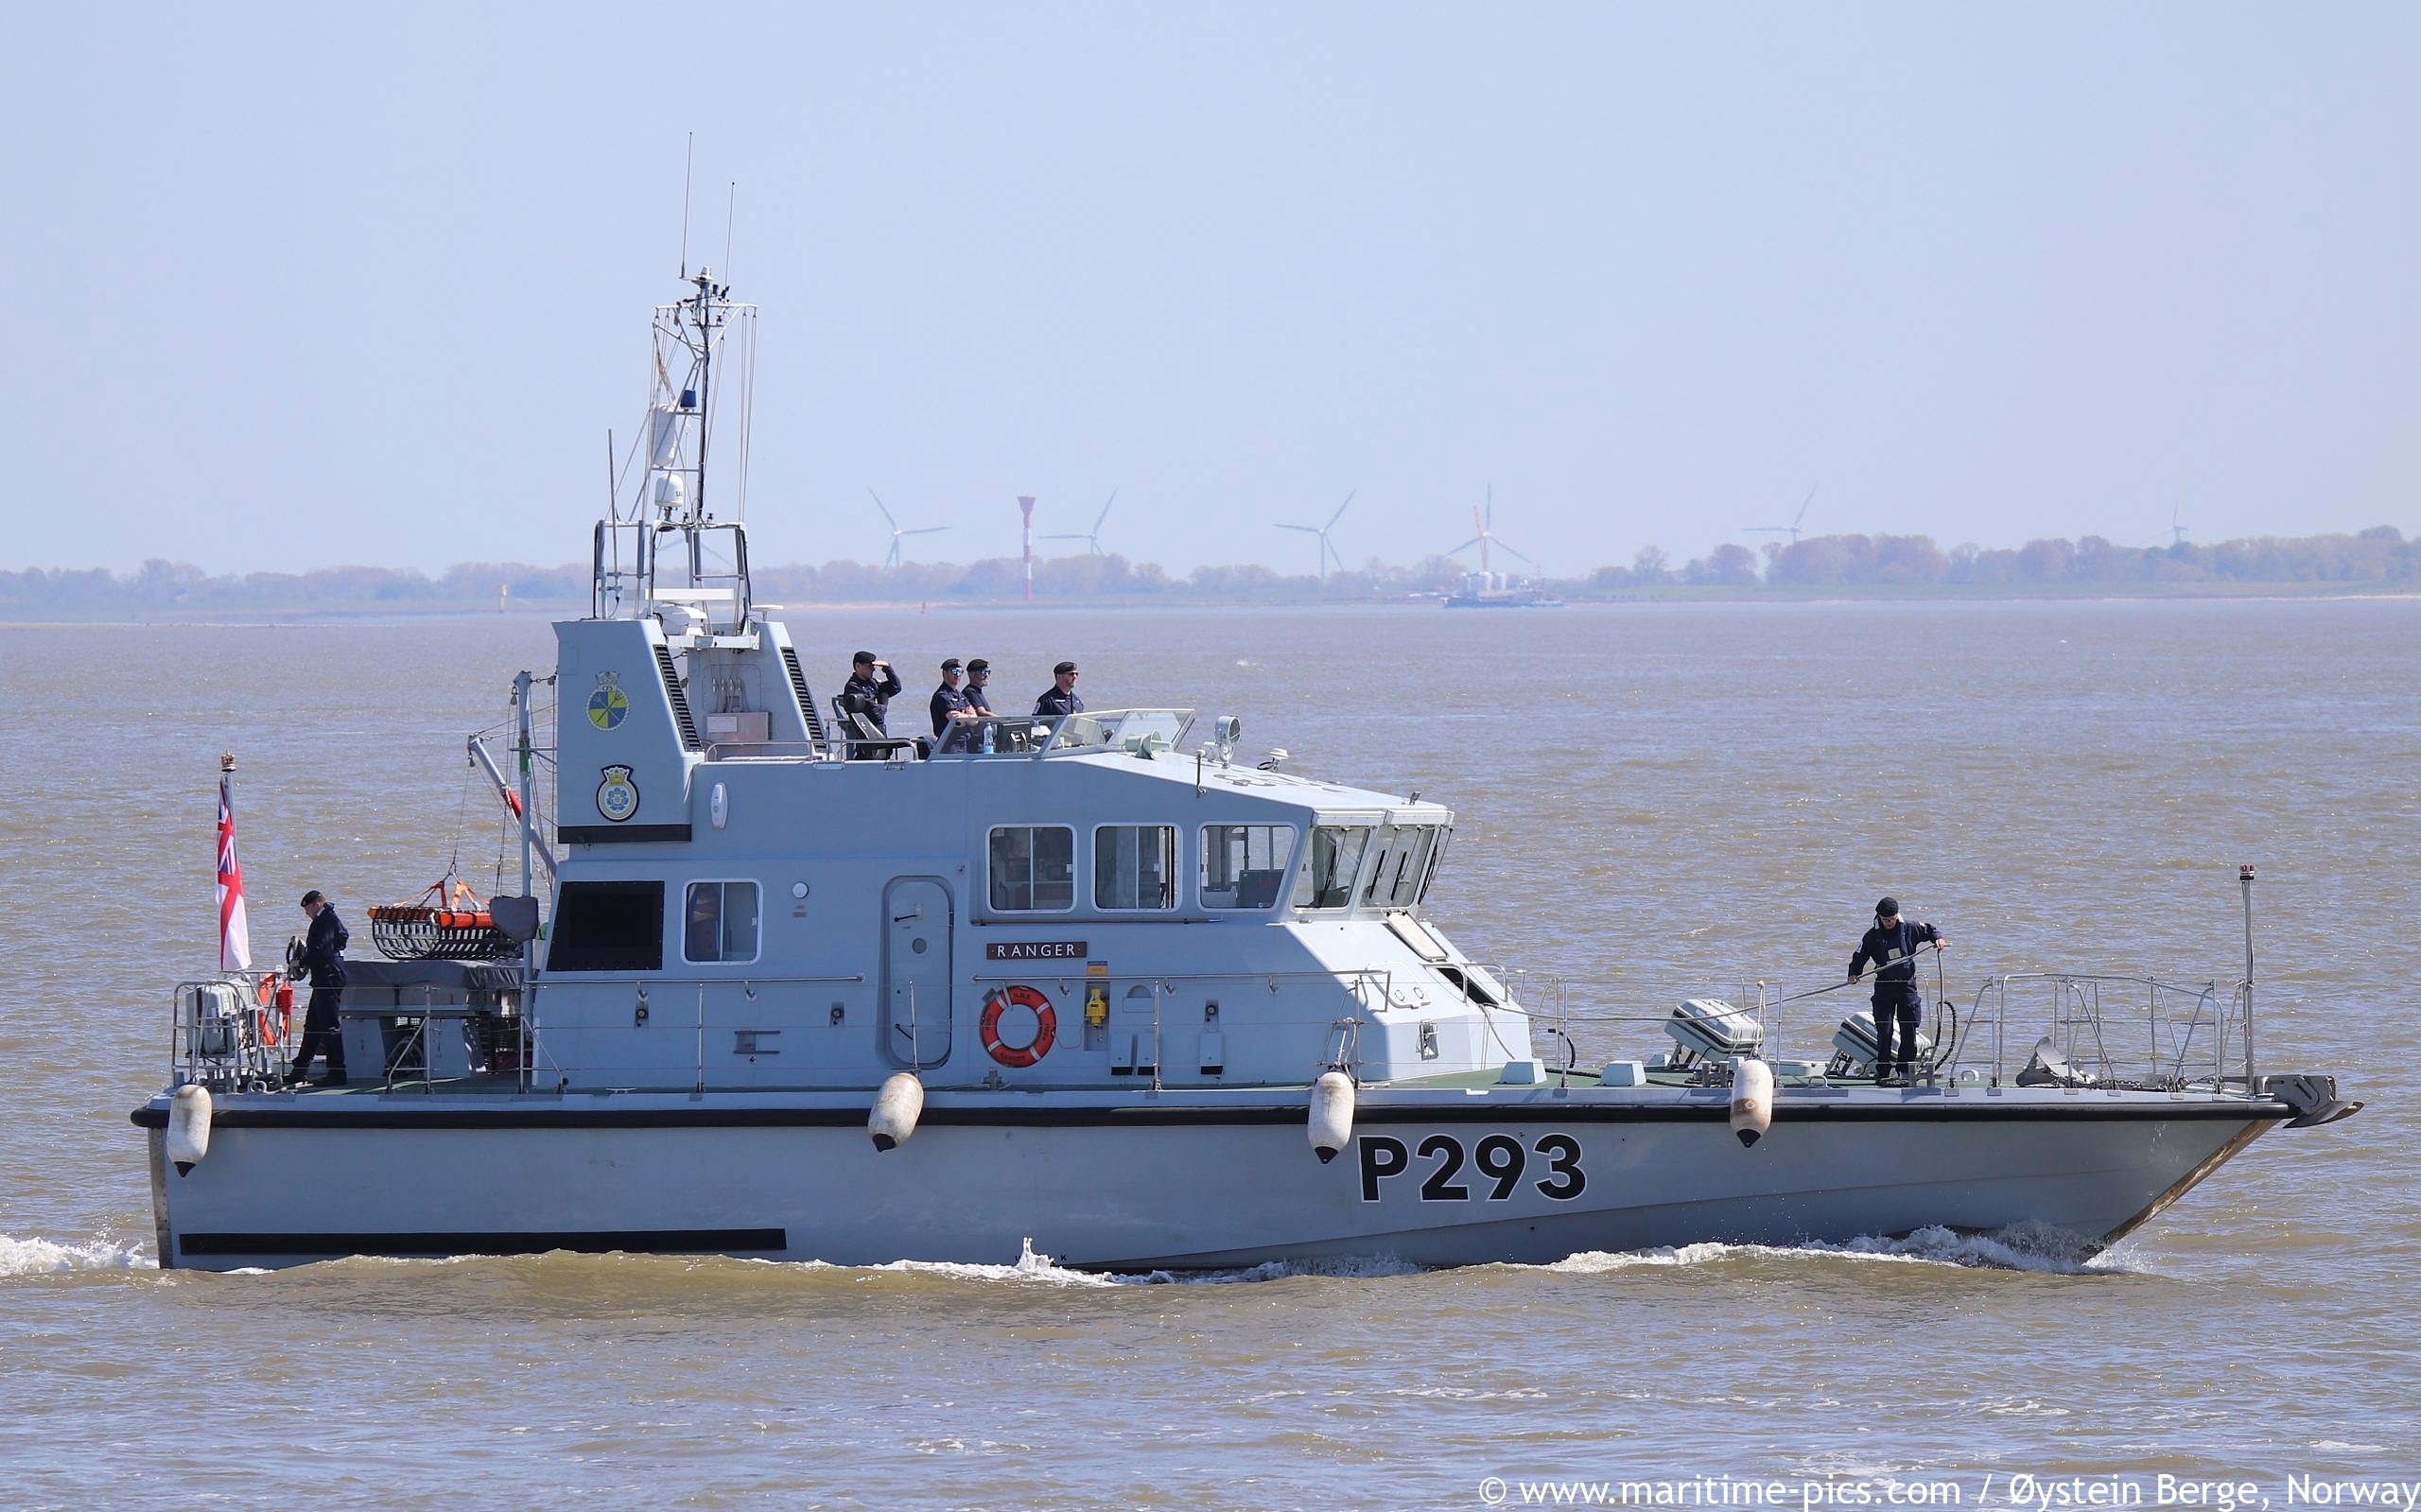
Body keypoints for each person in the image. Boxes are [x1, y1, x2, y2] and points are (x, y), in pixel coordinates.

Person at [1847, 895, 1946, 1086]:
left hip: (1906, 986)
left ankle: (1904, 1071)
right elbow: (1859, 956)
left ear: (1897, 916)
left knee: (1909, 1029)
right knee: (1884, 1030)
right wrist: (1853, 973)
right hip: (1884, 986)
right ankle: (1883, 1072)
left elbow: (1931, 930)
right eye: (1886, 920)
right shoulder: (1872, 936)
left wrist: (1938, 938)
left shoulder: (1910, 928)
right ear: (1879, 918)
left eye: (1892, 919)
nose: (1889, 923)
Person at [287, 890, 350, 1086]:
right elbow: (343, 938)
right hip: (325, 978)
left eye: (307, 908)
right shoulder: (331, 919)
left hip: (328, 978)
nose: (306, 913)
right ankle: (300, 1070)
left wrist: (300, 962)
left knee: (329, 1026)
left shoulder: (324, 920)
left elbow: (320, 950)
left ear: (317, 904)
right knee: (313, 1026)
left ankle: (337, 1073)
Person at [838, 651, 901, 757]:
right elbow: (875, 713)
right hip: (868, 735)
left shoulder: (872, 683)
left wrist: (888, 669)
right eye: (869, 666)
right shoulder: (853, 687)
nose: (873, 669)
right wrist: (884, 704)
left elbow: (896, 688)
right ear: (858, 666)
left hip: (879, 733)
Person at [930, 658, 979, 738]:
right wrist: (968, 716)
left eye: (960, 672)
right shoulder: (942, 695)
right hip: (948, 744)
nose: (958, 675)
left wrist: (964, 716)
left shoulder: (960, 695)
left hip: (964, 742)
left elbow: (975, 721)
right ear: (944, 673)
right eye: (954, 671)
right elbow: (955, 720)